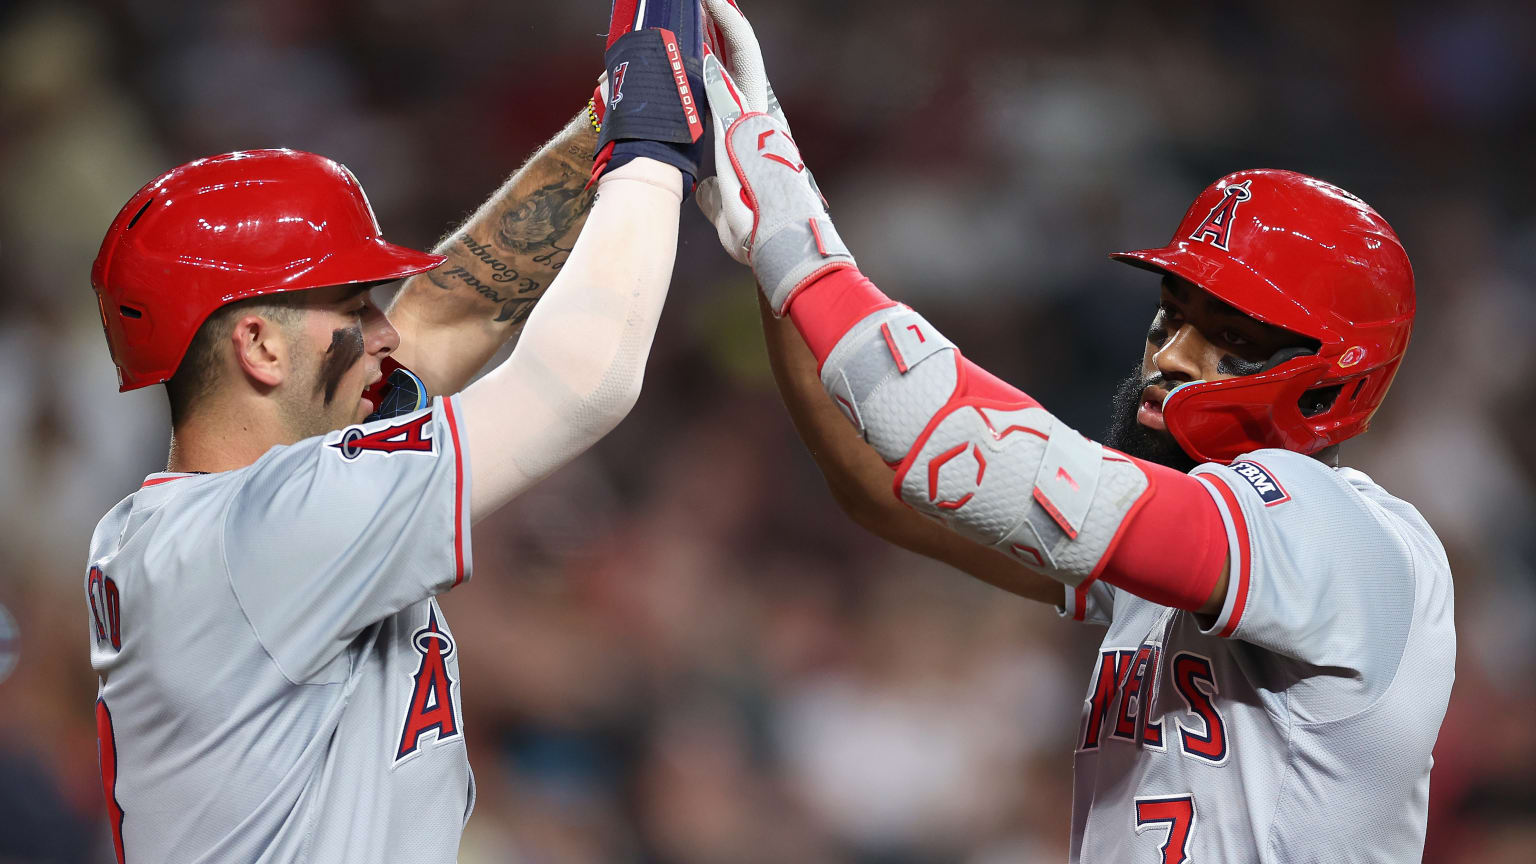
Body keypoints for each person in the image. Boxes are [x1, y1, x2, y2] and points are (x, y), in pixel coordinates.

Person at [694, 1, 1454, 861]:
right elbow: (880, 481)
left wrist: (795, 235)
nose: (1174, 356)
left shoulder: (1343, 540)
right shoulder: (1190, 544)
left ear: (1334, 385)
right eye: (1173, 317)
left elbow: (975, 452)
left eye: (1231, 339)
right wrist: (767, 242)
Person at [82, 2, 708, 861]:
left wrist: (618, 107)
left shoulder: (231, 511)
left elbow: (451, 315)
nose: (383, 332)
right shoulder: (268, 530)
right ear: (258, 345)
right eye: (351, 307)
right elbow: (583, 379)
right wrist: (652, 154)